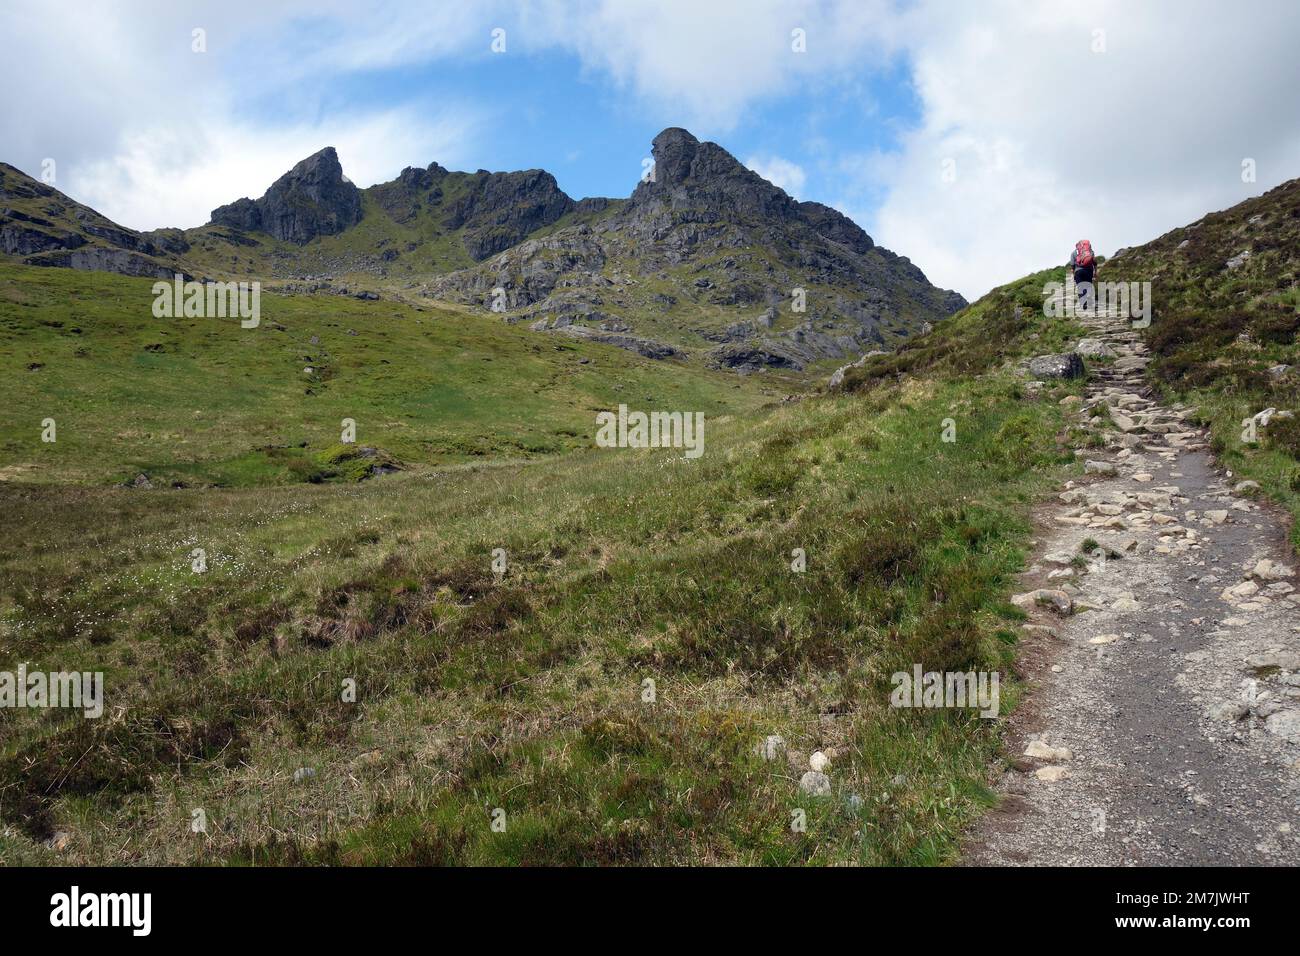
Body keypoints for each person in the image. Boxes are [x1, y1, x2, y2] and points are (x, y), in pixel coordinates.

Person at [1069, 239, 1096, 310]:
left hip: (1078, 272)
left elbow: (1072, 265)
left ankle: (1083, 302)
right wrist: (1095, 272)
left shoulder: (1074, 253)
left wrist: (1074, 275)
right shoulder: (1090, 252)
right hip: (1088, 271)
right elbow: (1094, 263)